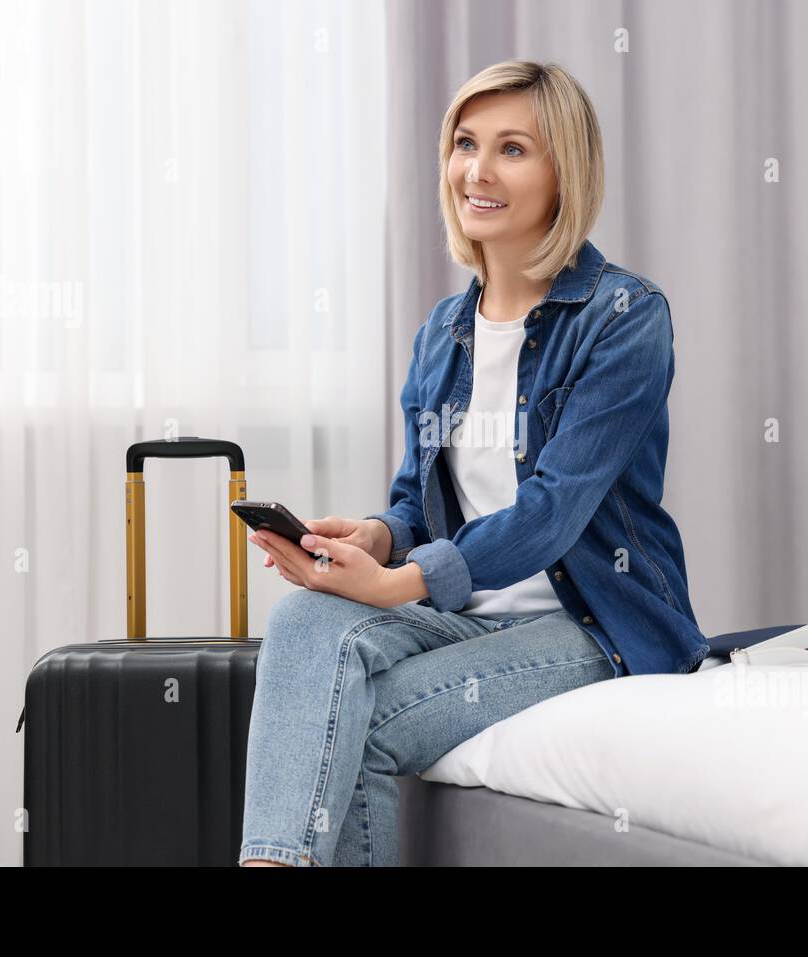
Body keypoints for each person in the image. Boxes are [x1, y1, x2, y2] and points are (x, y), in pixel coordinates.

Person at [239, 59, 708, 867]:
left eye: (512, 149)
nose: (477, 171)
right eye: (465, 144)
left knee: (364, 722)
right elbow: (417, 503)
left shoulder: (625, 317)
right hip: (466, 609)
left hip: (592, 622)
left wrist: (397, 583)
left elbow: (552, 512)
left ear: (564, 172)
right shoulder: (443, 331)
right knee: (302, 620)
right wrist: (378, 538)